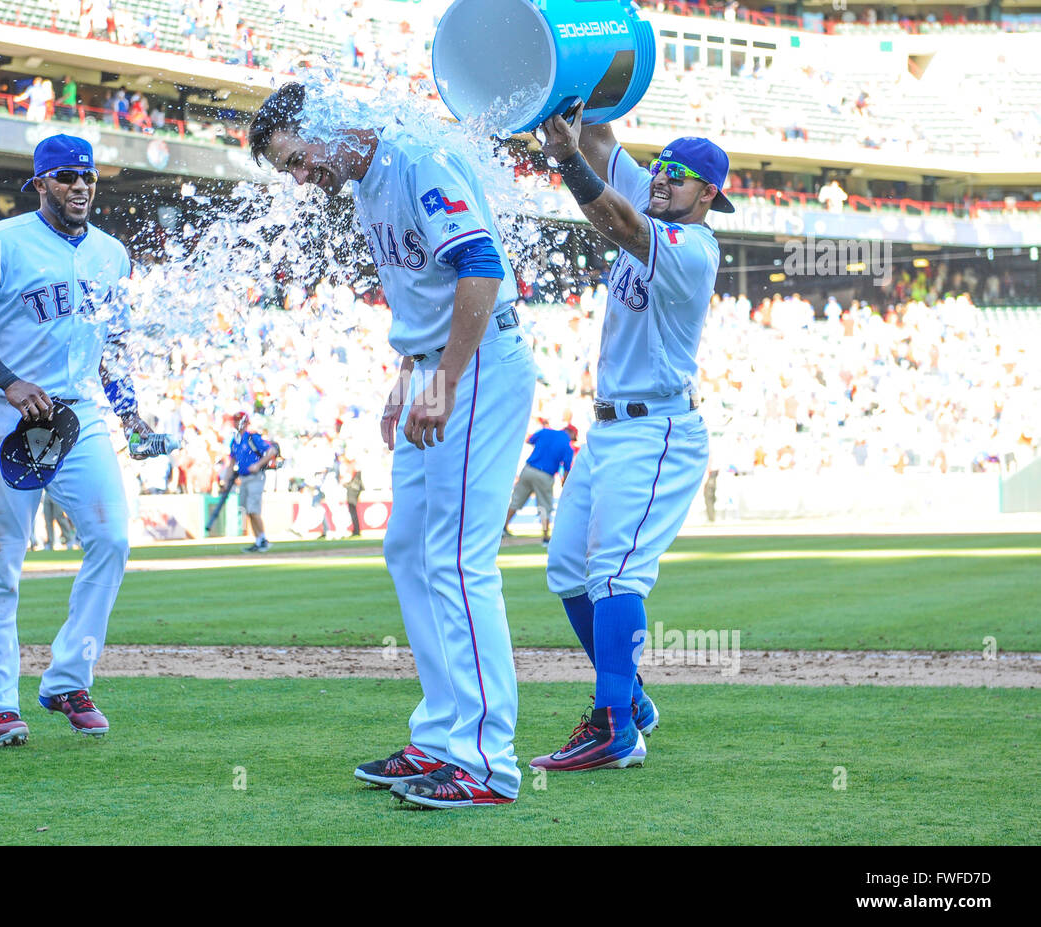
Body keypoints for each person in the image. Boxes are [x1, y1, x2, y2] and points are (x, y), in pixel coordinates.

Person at [249, 81, 536, 808]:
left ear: (327, 125)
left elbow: (481, 268)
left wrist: (440, 378)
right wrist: (409, 374)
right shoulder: (368, 180)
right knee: (408, 547)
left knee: (460, 560)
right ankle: (440, 735)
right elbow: (426, 292)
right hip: (437, 366)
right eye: (287, 169)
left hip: (477, 367)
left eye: (295, 159)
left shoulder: (416, 160)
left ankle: (485, 761)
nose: (299, 177)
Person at [0, 134, 157, 747]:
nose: (79, 186)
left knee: (112, 538)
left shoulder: (113, 254)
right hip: (2, 413)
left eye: (86, 177)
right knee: (3, 560)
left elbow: (112, 347)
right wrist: (7, 381)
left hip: (78, 412)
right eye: (64, 177)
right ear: (39, 183)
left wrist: (133, 415)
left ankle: (67, 678)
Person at [533, 105, 727, 773]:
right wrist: (574, 93)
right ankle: (631, 696)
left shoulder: (693, 249)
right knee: (566, 570)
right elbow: (601, 138)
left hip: (658, 429)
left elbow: (613, 219)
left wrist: (564, 159)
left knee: (615, 574)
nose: (664, 180)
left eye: (682, 178)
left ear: (709, 196)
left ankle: (614, 725)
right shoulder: (654, 195)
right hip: (612, 426)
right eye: (663, 169)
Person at [504, 423, 574, 544]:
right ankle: (546, 536)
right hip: (545, 475)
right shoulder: (567, 446)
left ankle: (503, 528)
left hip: (529, 469)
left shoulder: (545, 432)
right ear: (571, 434)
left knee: (516, 500)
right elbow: (567, 469)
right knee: (544, 506)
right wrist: (564, 484)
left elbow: (530, 440)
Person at [227, 411, 277, 553]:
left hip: (255, 477)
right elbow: (232, 461)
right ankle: (259, 539)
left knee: (253, 509)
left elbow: (271, 450)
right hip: (243, 478)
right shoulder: (235, 440)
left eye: (239, 421)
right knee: (248, 510)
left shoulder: (252, 437)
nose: (237, 423)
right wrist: (226, 478)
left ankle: (263, 539)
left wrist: (258, 464)